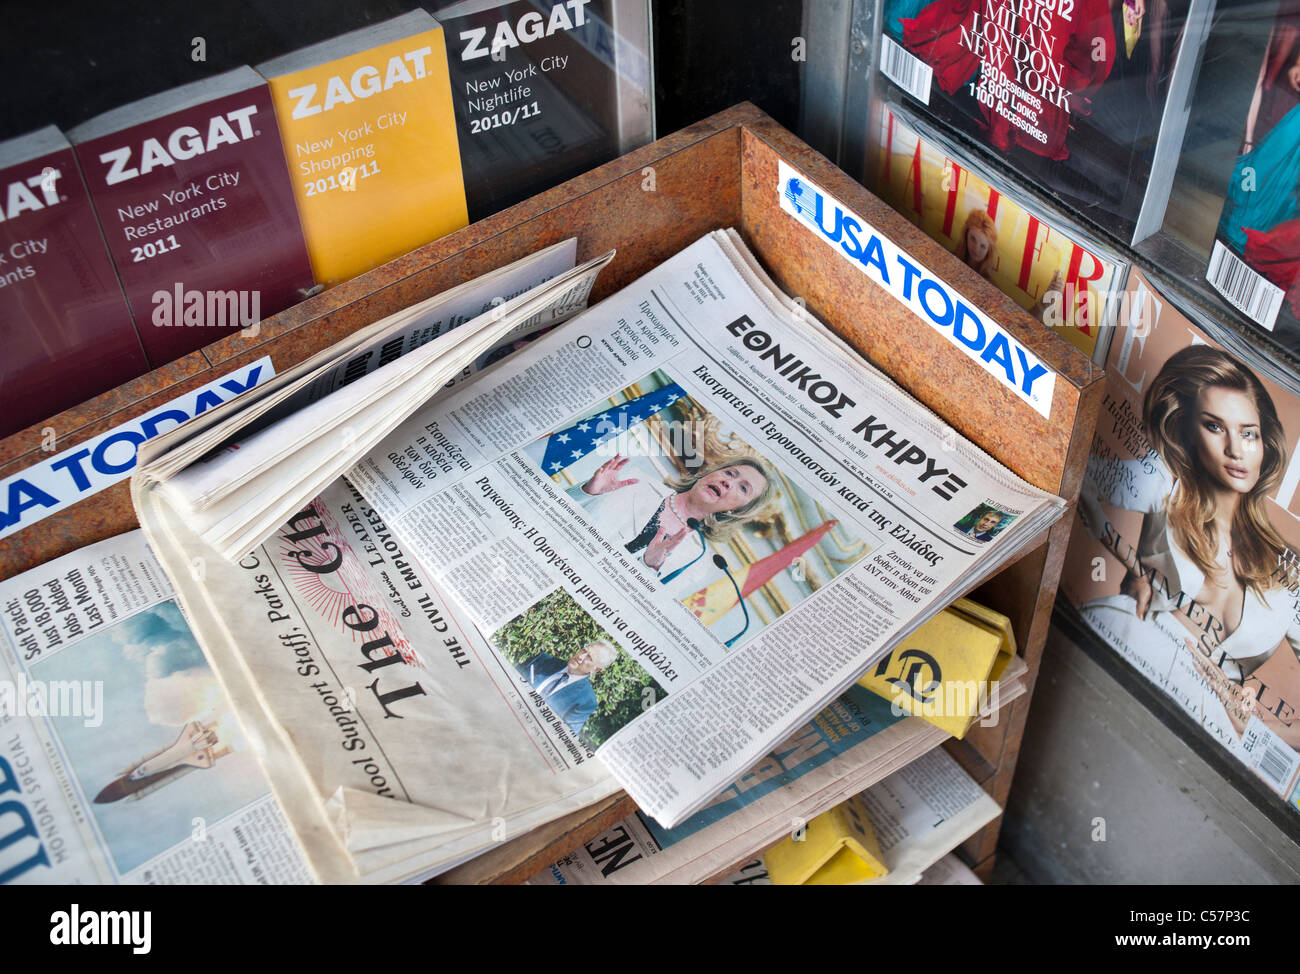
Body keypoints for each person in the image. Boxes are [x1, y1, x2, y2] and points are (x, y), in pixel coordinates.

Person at [1078, 345, 1300, 747]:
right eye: (1215, 427)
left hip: (1209, 725)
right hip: (1131, 644)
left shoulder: (1290, 571)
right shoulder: (1166, 485)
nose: (1236, 449)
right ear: (1187, 431)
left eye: (1248, 433)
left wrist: (1257, 727)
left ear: (1265, 443)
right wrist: (1132, 561)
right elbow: (1074, 471)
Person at [571, 454, 775, 579]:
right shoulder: (636, 481)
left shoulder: (694, 558)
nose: (728, 483)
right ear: (711, 473)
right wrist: (588, 491)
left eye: (743, 488)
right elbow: (557, 510)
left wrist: (648, 566)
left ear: (737, 511)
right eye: (730, 473)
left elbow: (640, 608)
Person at [518, 641, 618, 738]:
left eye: (590, 657)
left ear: (597, 669)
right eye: (584, 651)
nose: (581, 657)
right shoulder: (543, 660)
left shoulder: (586, 702)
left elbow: (563, 736)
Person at [955, 210, 997, 280]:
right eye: (973, 239)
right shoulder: (951, 259)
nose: (976, 248)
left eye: (983, 246)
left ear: (989, 250)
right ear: (966, 234)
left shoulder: (990, 285)